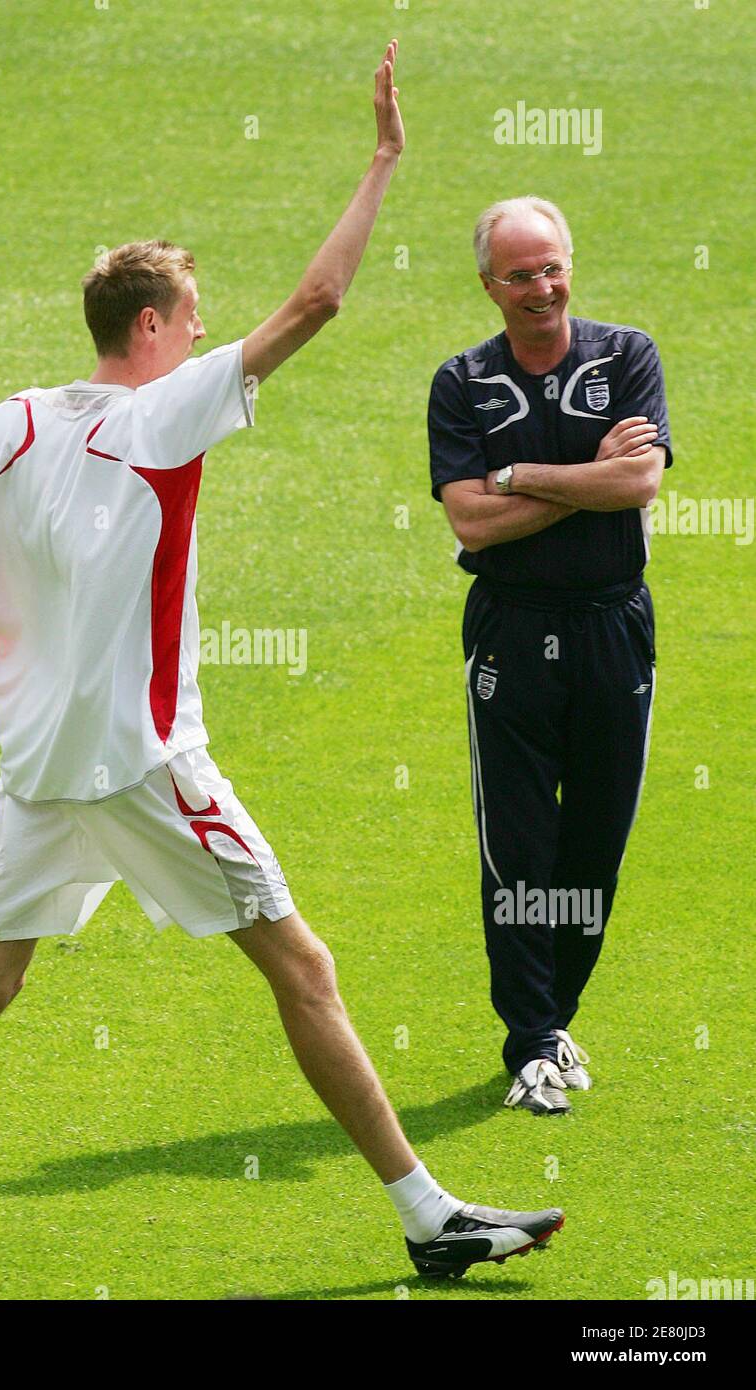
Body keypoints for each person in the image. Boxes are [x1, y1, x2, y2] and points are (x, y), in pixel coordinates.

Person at [0, 47, 563, 1287]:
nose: (205, 335)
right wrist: (384, 162)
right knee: (302, 965)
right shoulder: (159, 416)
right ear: (151, 329)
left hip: (38, 769)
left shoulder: (10, 421)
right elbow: (316, 307)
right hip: (140, 760)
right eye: (192, 320)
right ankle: (428, 1220)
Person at [428, 196, 672, 1115]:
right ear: (488, 285)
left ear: (571, 265)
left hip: (615, 626)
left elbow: (640, 479)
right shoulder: (461, 383)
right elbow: (470, 521)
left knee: (596, 841)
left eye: (552, 268)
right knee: (518, 845)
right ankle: (531, 1039)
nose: (541, 288)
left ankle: (553, 1020)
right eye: (519, 274)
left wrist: (522, 475)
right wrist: (588, 481)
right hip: (512, 634)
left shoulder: (628, 356)